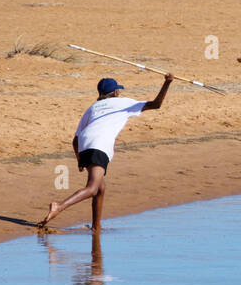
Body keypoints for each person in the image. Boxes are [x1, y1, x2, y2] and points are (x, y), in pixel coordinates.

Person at [39, 74, 172, 229]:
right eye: (118, 91)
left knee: (100, 188)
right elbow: (156, 104)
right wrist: (167, 83)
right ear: (115, 92)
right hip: (99, 144)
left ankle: (96, 226)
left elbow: (75, 140)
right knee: (92, 188)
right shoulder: (123, 102)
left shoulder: (92, 108)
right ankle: (58, 207)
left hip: (85, 144)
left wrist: (80, 161)